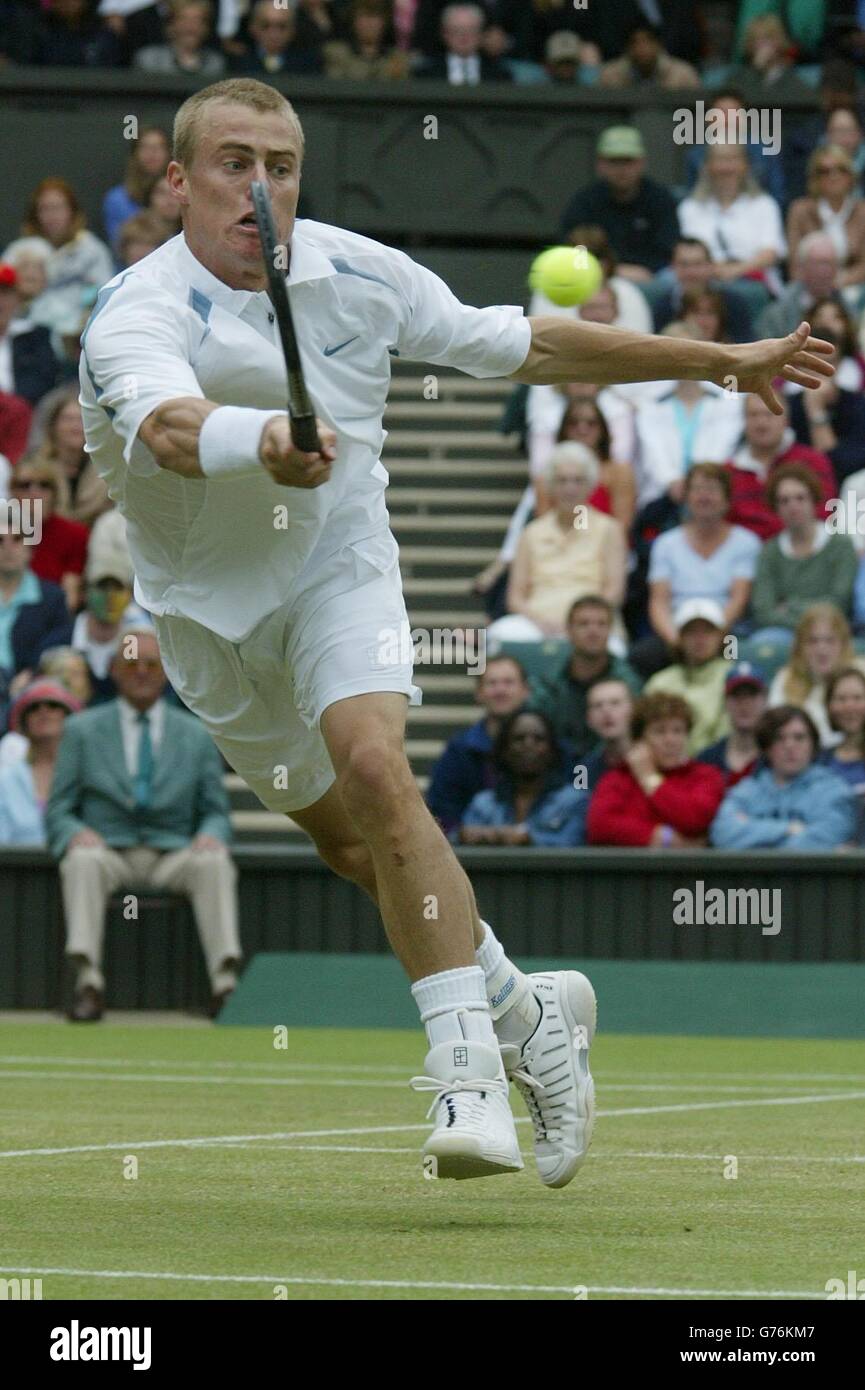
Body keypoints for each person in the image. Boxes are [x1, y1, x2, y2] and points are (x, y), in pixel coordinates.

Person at [76, 76, 833, 1185]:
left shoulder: (363, 276)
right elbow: (172, 425)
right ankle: (533, 1012)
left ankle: (468, 1073)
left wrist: (719, 361)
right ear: (178, 180)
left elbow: (527, 344)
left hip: (339, 566)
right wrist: (266, 441)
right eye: (234, 164)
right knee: (349, 846)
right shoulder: (132, 313)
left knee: (380, 768)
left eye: (279, 166)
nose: (261, 189)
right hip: (206, 624)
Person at [46, 627, 241, 1022]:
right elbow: (59, 809)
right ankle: (88, 983)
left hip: (174, 853)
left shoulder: (197, 734)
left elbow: (216, 812)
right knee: (80, 860)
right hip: (107, 852)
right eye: (132, 663)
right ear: (114, 670)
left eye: (152, 664)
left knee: (215, 862)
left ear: (168, 672)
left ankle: (225, 986)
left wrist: (210, 834)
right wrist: (75, 833)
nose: (142, 672)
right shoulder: (81, 730)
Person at [488, 443, 627, 644]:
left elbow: (614, 591)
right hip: (537, 623)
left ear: (590, 486)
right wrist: (541, 622)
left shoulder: (608, 529)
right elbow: (515, 598)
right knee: (499, 636)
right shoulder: (532, 532)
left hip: (591, 623)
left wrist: (581, 621)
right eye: (562, 481)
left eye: (577, 481)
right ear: (551, 486)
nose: (570, 488)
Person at [636, 464, 760, 678]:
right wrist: (677, 640)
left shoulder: (746, 542)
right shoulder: (666, 544)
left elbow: (739, 599)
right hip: (678, 631)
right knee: (643, 656)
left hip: (727, 632)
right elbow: (659, 601)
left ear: (727, 499)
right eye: (697, 489)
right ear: (686, 497)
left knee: (741, 656)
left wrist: (711, 637)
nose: (704, 496)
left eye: (712, 489)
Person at [586, 691, 725, 848]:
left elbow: (696, 819)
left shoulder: (705, 775)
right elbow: (600, 826)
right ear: (640, 740)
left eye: (678, 731)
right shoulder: (618, 779)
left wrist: (650, 779)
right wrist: (664, 838)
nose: (670, 740)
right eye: (660, 731)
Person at [710, 705, 856, 850]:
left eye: (799, 738)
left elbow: (824, 840)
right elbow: (723, 834)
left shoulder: (834, 791)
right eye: (779, 738)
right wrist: (789, 829)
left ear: (813, 746)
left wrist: (753, 833)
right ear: (767, 748)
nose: (789, 745)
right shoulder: (747, 790)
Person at [751, 466, 858, 648]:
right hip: (784, 633)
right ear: (776, 508)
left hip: (832, 630)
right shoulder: (769, 552)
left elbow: (840, 602)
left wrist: (789, 607)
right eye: (784, 501)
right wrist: (810, 616)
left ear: (813, 500)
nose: (793, 506)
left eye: (800, 498)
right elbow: (764, 610)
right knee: (763, 644)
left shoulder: (840, 545)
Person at [558, 126, 680, 282]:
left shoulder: (660, 199)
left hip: (649, 278)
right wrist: (611, 269)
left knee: (669, 280)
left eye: (628, 161)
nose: (621, 169)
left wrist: (644, 269)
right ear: (600, 164)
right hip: (596, 275)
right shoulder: (585, 201)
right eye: (614, 161)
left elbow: (668, 249)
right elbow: (570, 245)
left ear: (641, 163)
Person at [528, 595, 641, 761]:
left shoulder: (628, 683)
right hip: (558, 767)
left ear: (610, 631)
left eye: (601, 624)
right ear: (568, 630)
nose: (593, 631)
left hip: (611, 766)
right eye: (584, 624)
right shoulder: (548, 683)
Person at [426, 653, 529, 834]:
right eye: (492, 683)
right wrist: (464, 834)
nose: (500, 690)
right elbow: (441, 808)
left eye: (508, 682)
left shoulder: (552, 747)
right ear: (479, 693)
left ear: (526, 690)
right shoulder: (458, 751)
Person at [456, 709, 585, 847]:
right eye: (519, 738)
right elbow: (456, 843)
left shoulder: (574, 801)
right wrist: (464, 836)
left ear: (552, 751)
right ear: (504, 750)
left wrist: (527, 839)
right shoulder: (483, 803)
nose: (528, 745)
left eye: (539, 739)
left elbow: (574, 844)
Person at [677, 144, 786, 298]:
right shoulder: (689, 208)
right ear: (707, 166)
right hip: (703, 285)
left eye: (732, 159)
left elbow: (770, 253)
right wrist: (715, 271)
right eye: (719, 160)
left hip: (755, 286)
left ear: (745, 165)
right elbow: (687, 253)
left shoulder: (765, 204)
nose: (726, 168)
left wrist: (734, 271)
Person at [725, 392, 837, 540]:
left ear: (786, 420)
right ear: (743, 421)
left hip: (805, 551)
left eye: (769, 414)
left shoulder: (812, 462)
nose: (761, 423)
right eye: (753, 415)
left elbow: (826, 514)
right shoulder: (728, 472)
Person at [632, 374, 745, 510]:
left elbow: (725, 444)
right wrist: (670, 481)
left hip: (712, 492)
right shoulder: (651, 404)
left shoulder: (727, 402)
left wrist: (700, 484)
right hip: (662, 497)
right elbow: (653, 451)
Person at [787, 300, 865, 484]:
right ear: (801, 367)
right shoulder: (787, 407)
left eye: (827, 365)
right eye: (814, 365)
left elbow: (838, 467)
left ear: (839, 366)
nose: (820, 374)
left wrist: (817, 412)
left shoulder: (857, 406)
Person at [768, 603, 865, 747]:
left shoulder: (860, 672)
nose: (821, 649)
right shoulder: (785, 678)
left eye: (830, 640)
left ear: (843, 644)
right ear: (800, 646)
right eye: (813, 641)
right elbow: (773, 732)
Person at [0, 679, 82, 846]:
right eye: (33, 708)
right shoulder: (5, 779)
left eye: (53, 705)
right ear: (24, 722)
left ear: (69, 717)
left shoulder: (89, 775)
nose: (43, 711)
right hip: (15, 868)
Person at [644, 599, 730, 754]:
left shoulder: (731, 676)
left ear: (720, 637)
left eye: (708, 631)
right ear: (680, 638)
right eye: (691, 631)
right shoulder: (659, 682)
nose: (700, 638)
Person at [0, 522, 73, 694]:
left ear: (30, 549)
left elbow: (58, 646)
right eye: (0, 540)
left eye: (17, 539)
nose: (8, 548)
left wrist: (32, 674)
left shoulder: (52, 598)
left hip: (29, 689)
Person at [786, 147, 865, 301]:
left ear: (850, 176)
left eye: (840, 170)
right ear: (815, 178)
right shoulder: (800, 211)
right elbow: (795, 267)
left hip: (853, 286)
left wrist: (839, 282)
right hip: (808, 286)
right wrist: (818, 284)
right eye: (825, 171)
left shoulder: (862, 212)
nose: (833, 176)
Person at [24, 388, 111, 528]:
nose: (75, 427)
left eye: (82, 419)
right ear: (53, 426)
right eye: (68, 419)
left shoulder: (108, 470)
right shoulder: (34, 468)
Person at [9, 461, 88, 612]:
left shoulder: (74, 534)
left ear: (54, 493)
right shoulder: (3, 533)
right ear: (12, 491)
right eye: (25, 485)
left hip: (49, 619)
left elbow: (69, 600)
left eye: (44, 485)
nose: (34, 492)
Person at [652, 238, 754, 342]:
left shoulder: (734, 303)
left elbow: (746, 346)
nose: (691, 272)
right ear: (673, 267)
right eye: (684, 264)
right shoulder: (663, 306)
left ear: (710, 266)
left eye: (698, 264)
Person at [102, 126, 171, 256]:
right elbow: (119, 248)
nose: (152, 153)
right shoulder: (116, 200)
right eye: (145, 147)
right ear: (135, 153)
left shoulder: (180, 194)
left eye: (159, 147)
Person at [756, 233, 839, 340]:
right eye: (817, 264)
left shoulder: (846, 308)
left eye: (829, 263)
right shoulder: (779, 311)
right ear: (801, 267)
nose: (824, 271)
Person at [696, 661, 766, 787]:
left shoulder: (776, 758)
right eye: (737, 696)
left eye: (752, 695)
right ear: (725, 702)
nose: (744, 704)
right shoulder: (707, 760)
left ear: (765, 700)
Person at [0, 262, 59, 406]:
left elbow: (44, 383)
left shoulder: (36, 337)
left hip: (24, 419)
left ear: (17, 298)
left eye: (5, 293)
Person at [820, 666, 865, 841]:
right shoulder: (818, 759)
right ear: (829, 706)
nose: (849, 706)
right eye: (841, 699)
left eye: (857, 698)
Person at [413, 2, 512, 81]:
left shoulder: (500, 75)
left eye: (471, 30)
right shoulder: (425, 75)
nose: (464, 37)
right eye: (457, 30)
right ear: (445, 34)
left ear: (481, 34)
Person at [598, 19, 698, 90]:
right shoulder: (610, 76)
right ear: (627, 48)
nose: (641, 48)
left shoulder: (683, 75)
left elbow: (698, 111)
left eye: (647, 41)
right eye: (635, 42)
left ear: (658, 44)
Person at [229, 0, 324, 74]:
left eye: (282, 26)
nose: (274, 34)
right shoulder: (237, 62)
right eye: (265, 25)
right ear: (253, 28)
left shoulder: (308, 64)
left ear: (293, 29)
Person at [134, 0, 226, 73]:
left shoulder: (214, 63)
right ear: (170, 25)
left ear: (206, 28)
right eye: (184, 20)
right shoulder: (150, 59)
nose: (191, 27)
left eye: (198, 21)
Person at [324, 0, 409, 78]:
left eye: (375, 17)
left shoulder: (397, 58)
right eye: (364, 17)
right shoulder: (337, 54)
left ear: (384, 23)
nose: (369, 24)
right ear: (354, 22)